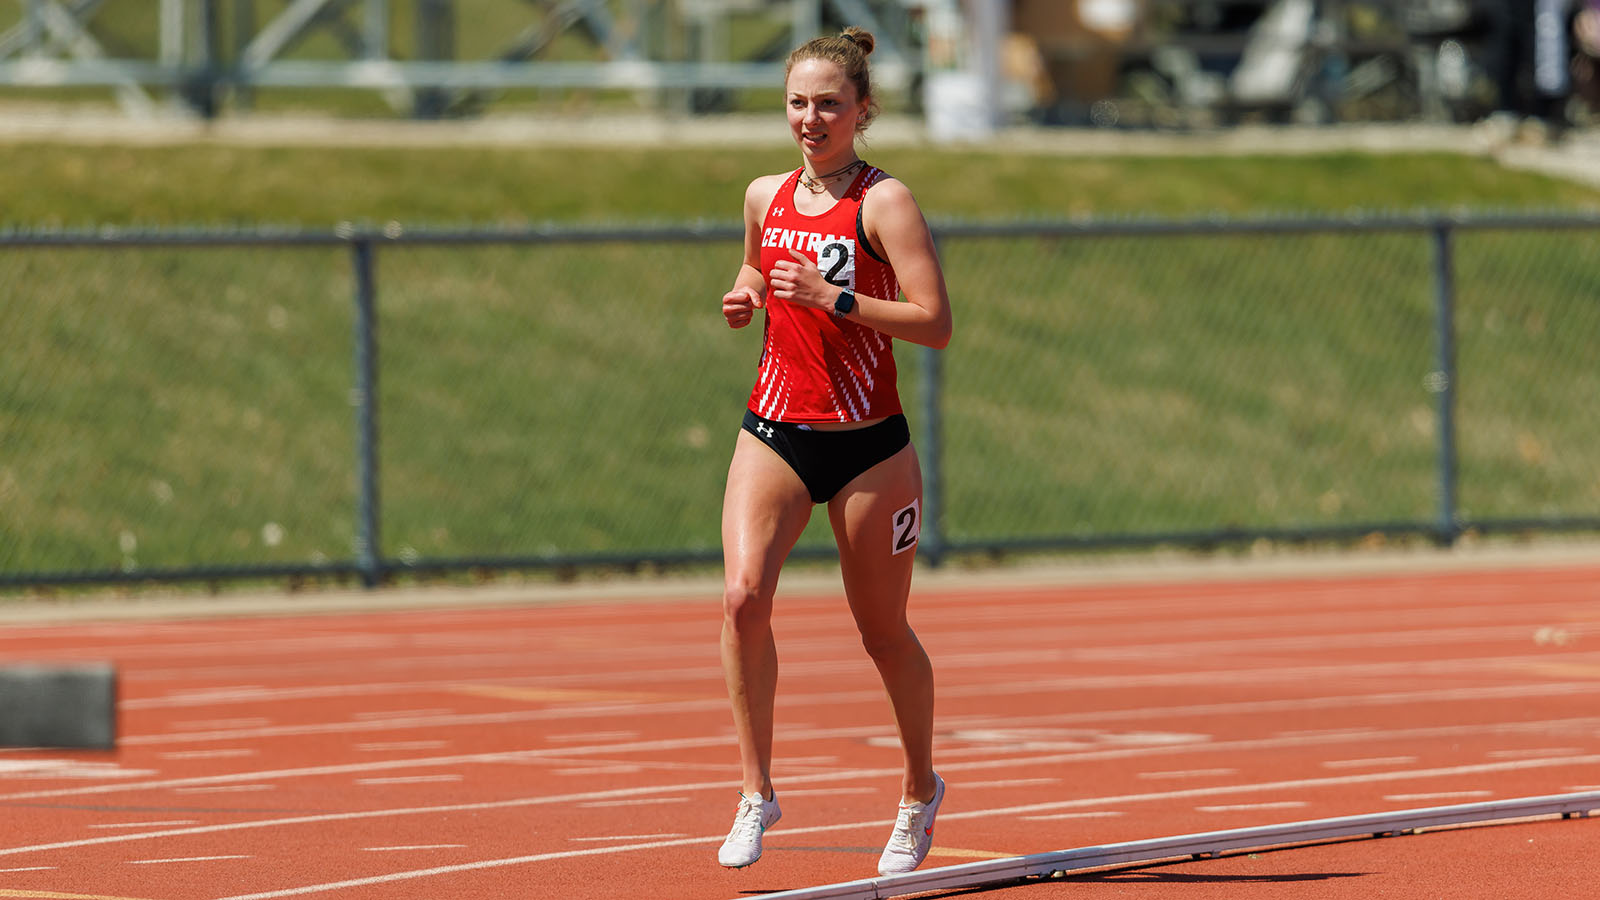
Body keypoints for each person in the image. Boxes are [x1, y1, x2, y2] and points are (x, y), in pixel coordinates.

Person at [715, 26, 954, 877]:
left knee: (881, 632)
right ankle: (756, 792)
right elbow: (756, 270)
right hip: (775, 429)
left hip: (868, 450)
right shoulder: (763, 194)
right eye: (797, 103)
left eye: (827, 104)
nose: (810, 119)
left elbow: (935, 323)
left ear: (861, 110)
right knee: (744, 597)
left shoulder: (884, 203)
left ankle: (920, 791)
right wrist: (747, 297)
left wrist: (835, 296)